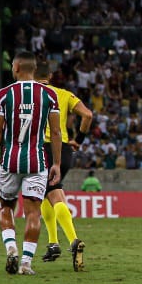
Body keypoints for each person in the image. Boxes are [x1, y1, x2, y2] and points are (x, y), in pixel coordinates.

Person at [0, 51, 62, 275]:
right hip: (37, 162)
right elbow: (56, 131)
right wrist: (56, 163)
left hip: (10, 161)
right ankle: (26, 263)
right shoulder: (49, 95)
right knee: (33, 213)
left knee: (6, 207)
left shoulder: (3, 95)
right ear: (34, 69)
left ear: (16, 67)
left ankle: (11, 248)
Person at [34, 62, 94, 272]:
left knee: (50, 194)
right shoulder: (64, 94)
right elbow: (88, 115)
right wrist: (79, 139)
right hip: (64, 150)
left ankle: (72, 240)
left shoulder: (29, 94)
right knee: (49, 193)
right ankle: (53, 244)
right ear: (50, 76)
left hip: (40, 149)